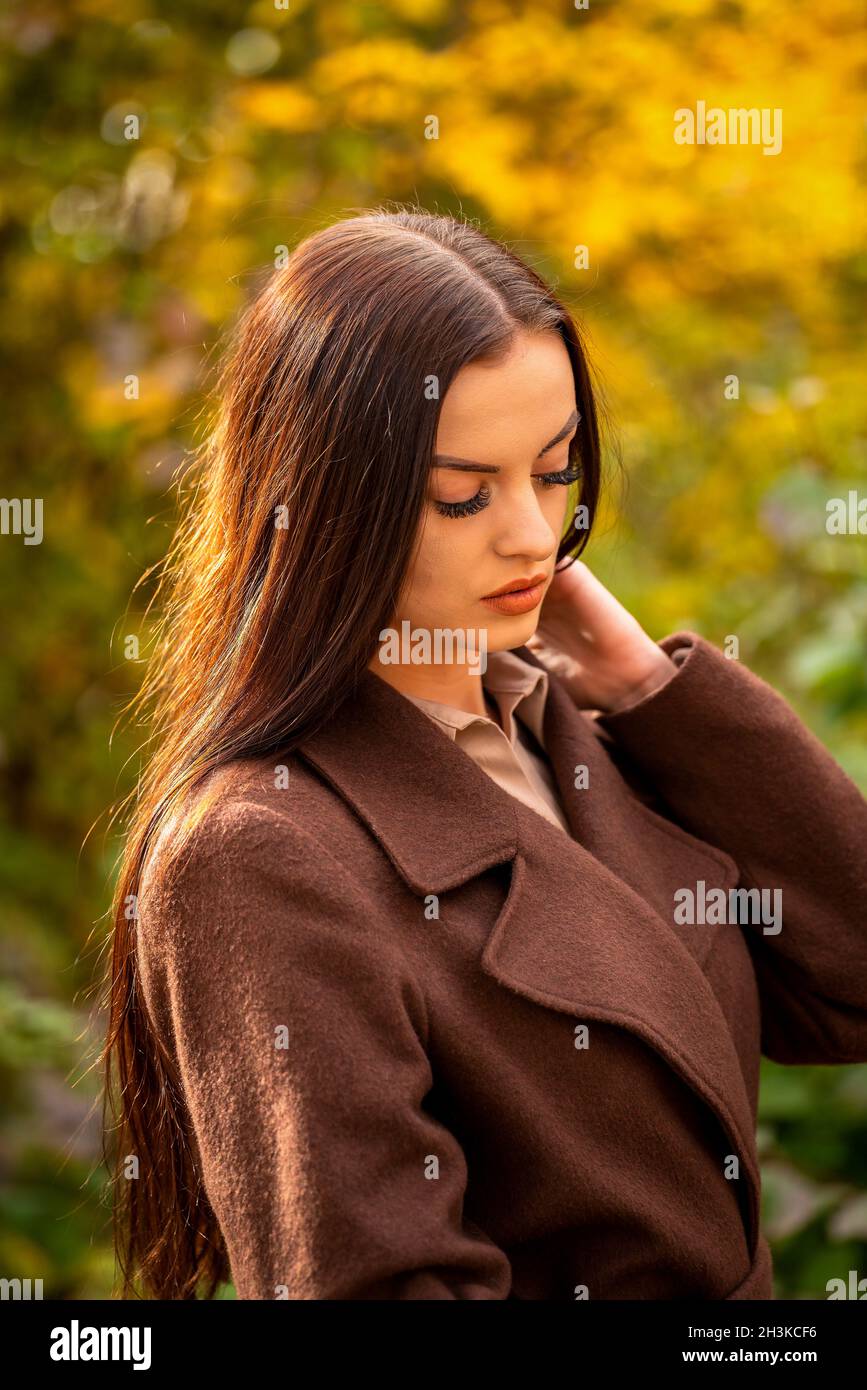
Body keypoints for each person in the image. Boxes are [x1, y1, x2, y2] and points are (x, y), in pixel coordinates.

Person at [105, 206, 867, 1300]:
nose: (532, 535)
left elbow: (852, 977)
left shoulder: (593, 735)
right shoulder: (264, 852)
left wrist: (648, 686)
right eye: (466, 493)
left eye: (555, 473)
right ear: (327, 507)